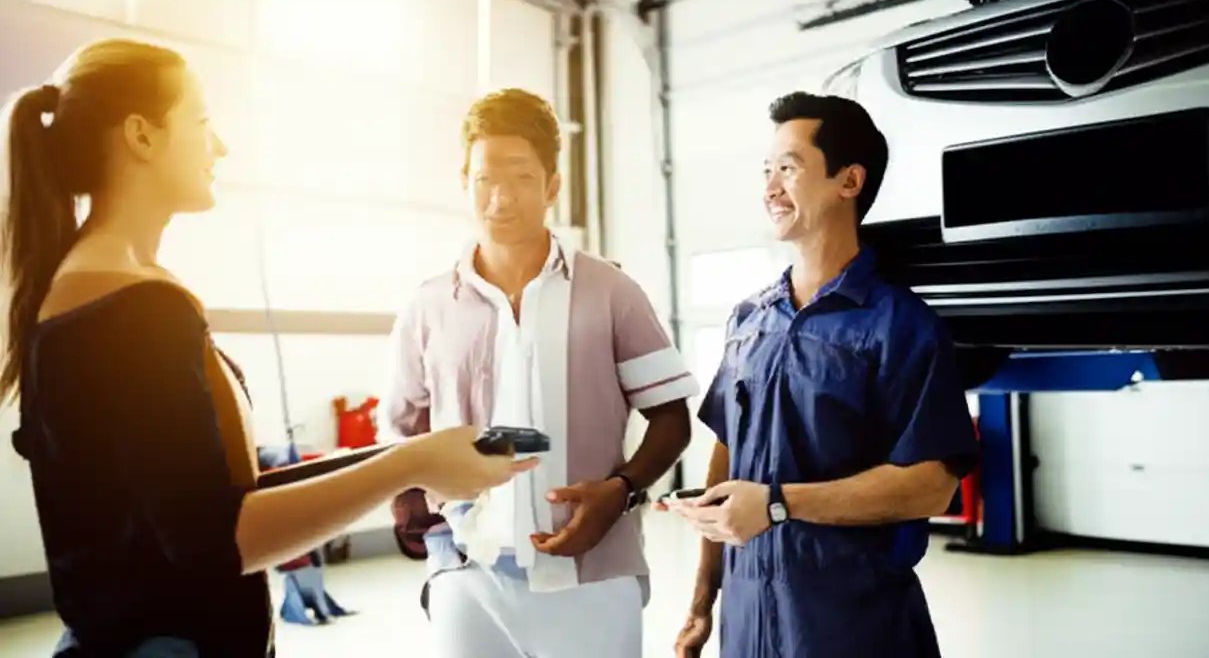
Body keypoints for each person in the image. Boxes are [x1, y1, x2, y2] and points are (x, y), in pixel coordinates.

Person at [2, 39, 537, 658]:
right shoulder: (130, 306)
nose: (220, 147)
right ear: (142, 136)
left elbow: (217, 494)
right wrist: (410, 466)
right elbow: (217, 539)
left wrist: (415, 453)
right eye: (202, 122)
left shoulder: (106, 289)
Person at [380, 88, 699, 658]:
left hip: (595, 576)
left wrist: (621, 492)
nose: (500, 198)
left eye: (522, 177)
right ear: (464, 181)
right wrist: (432, 536)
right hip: (467, 574)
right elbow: (400, 437)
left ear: (553, 186)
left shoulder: (611, 291)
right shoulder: (427, 306)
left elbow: (672, 420)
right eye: (484, 179)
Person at [661, 92, 980, 658]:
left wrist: (778, 503)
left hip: (852, 625)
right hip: (749, 619)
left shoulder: (900, 326)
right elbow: (728, 452)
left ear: (848, 182)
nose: (770, 188)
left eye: (788, 168)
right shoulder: (748, 320)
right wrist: (701, 600)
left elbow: (932, 484)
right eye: (766, 171)